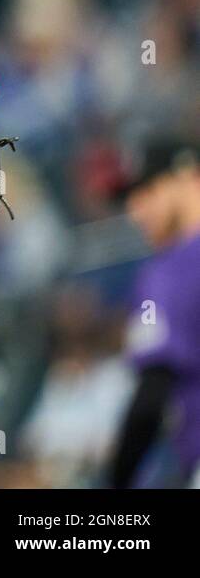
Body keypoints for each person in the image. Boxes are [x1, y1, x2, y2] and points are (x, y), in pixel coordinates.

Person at [109, 136, 200, 488]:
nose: (135, 211)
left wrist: (118, 478)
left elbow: (152, 392)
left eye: (148, 190)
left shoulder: (171, 269)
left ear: (187, 174)